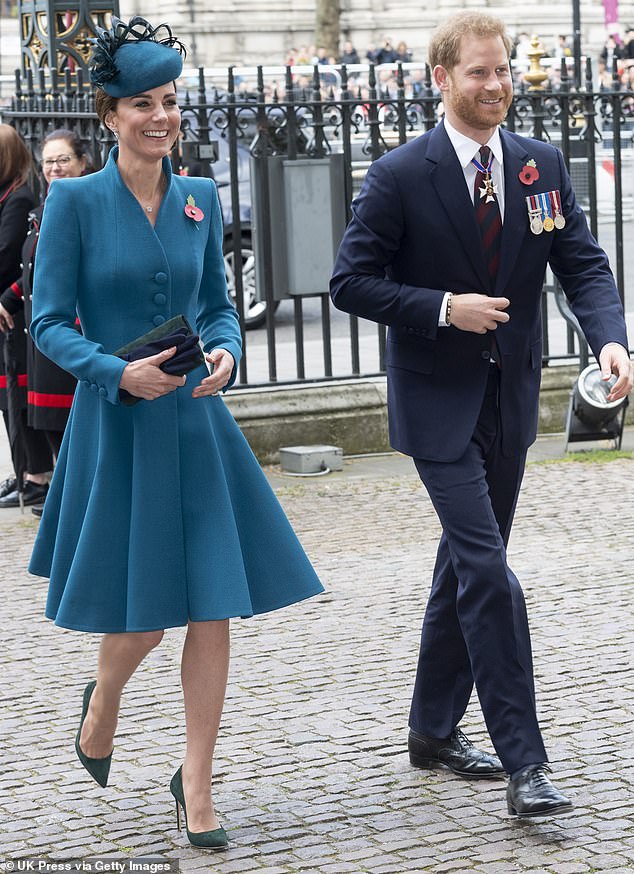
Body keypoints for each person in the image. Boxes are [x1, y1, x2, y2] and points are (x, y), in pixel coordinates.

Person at [28, 15, 323, 850]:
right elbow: (48, 324)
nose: (161, 117)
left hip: (196, 424)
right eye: (143, 104)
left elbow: (220, 309)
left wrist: (226, 346)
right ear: (111, 116)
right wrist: (114, 371)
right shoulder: (76, 201)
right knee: (143, 623)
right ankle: (106, 698)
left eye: (170, 102)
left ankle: (196, 784)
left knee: (212, 608)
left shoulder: (201, 198)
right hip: (118, 427)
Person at [330, 11, 632, 818]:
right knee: (490, 572)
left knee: (465, 568)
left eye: (503, 72)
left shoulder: (538, 163)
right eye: (478, 73)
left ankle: (431, 731)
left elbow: (583, 264)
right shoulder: (399, 175)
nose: (496, 85)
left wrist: (610, 340)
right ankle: (524, 764)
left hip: (512, 400)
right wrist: (440, 308)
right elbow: (349, 283)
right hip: (436, 402)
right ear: (441, 79)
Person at [0, 129, 89, 515]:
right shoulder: (45, 207)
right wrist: (10, 298)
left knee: (70, 419)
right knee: (49, 419)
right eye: (49, 161)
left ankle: (75, 497)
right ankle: (63, 492)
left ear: (83, 162)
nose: (55, 167)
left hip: (72, 328)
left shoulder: (87, 203)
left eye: (63, 159)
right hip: (43, 327)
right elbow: (32, 267)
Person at [0, 125, 40, 507]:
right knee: (8, 399)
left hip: (13, 313)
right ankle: (24, 472)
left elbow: (7, 255)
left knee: (17, 398)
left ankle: (34, 476)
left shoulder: (18, 198)